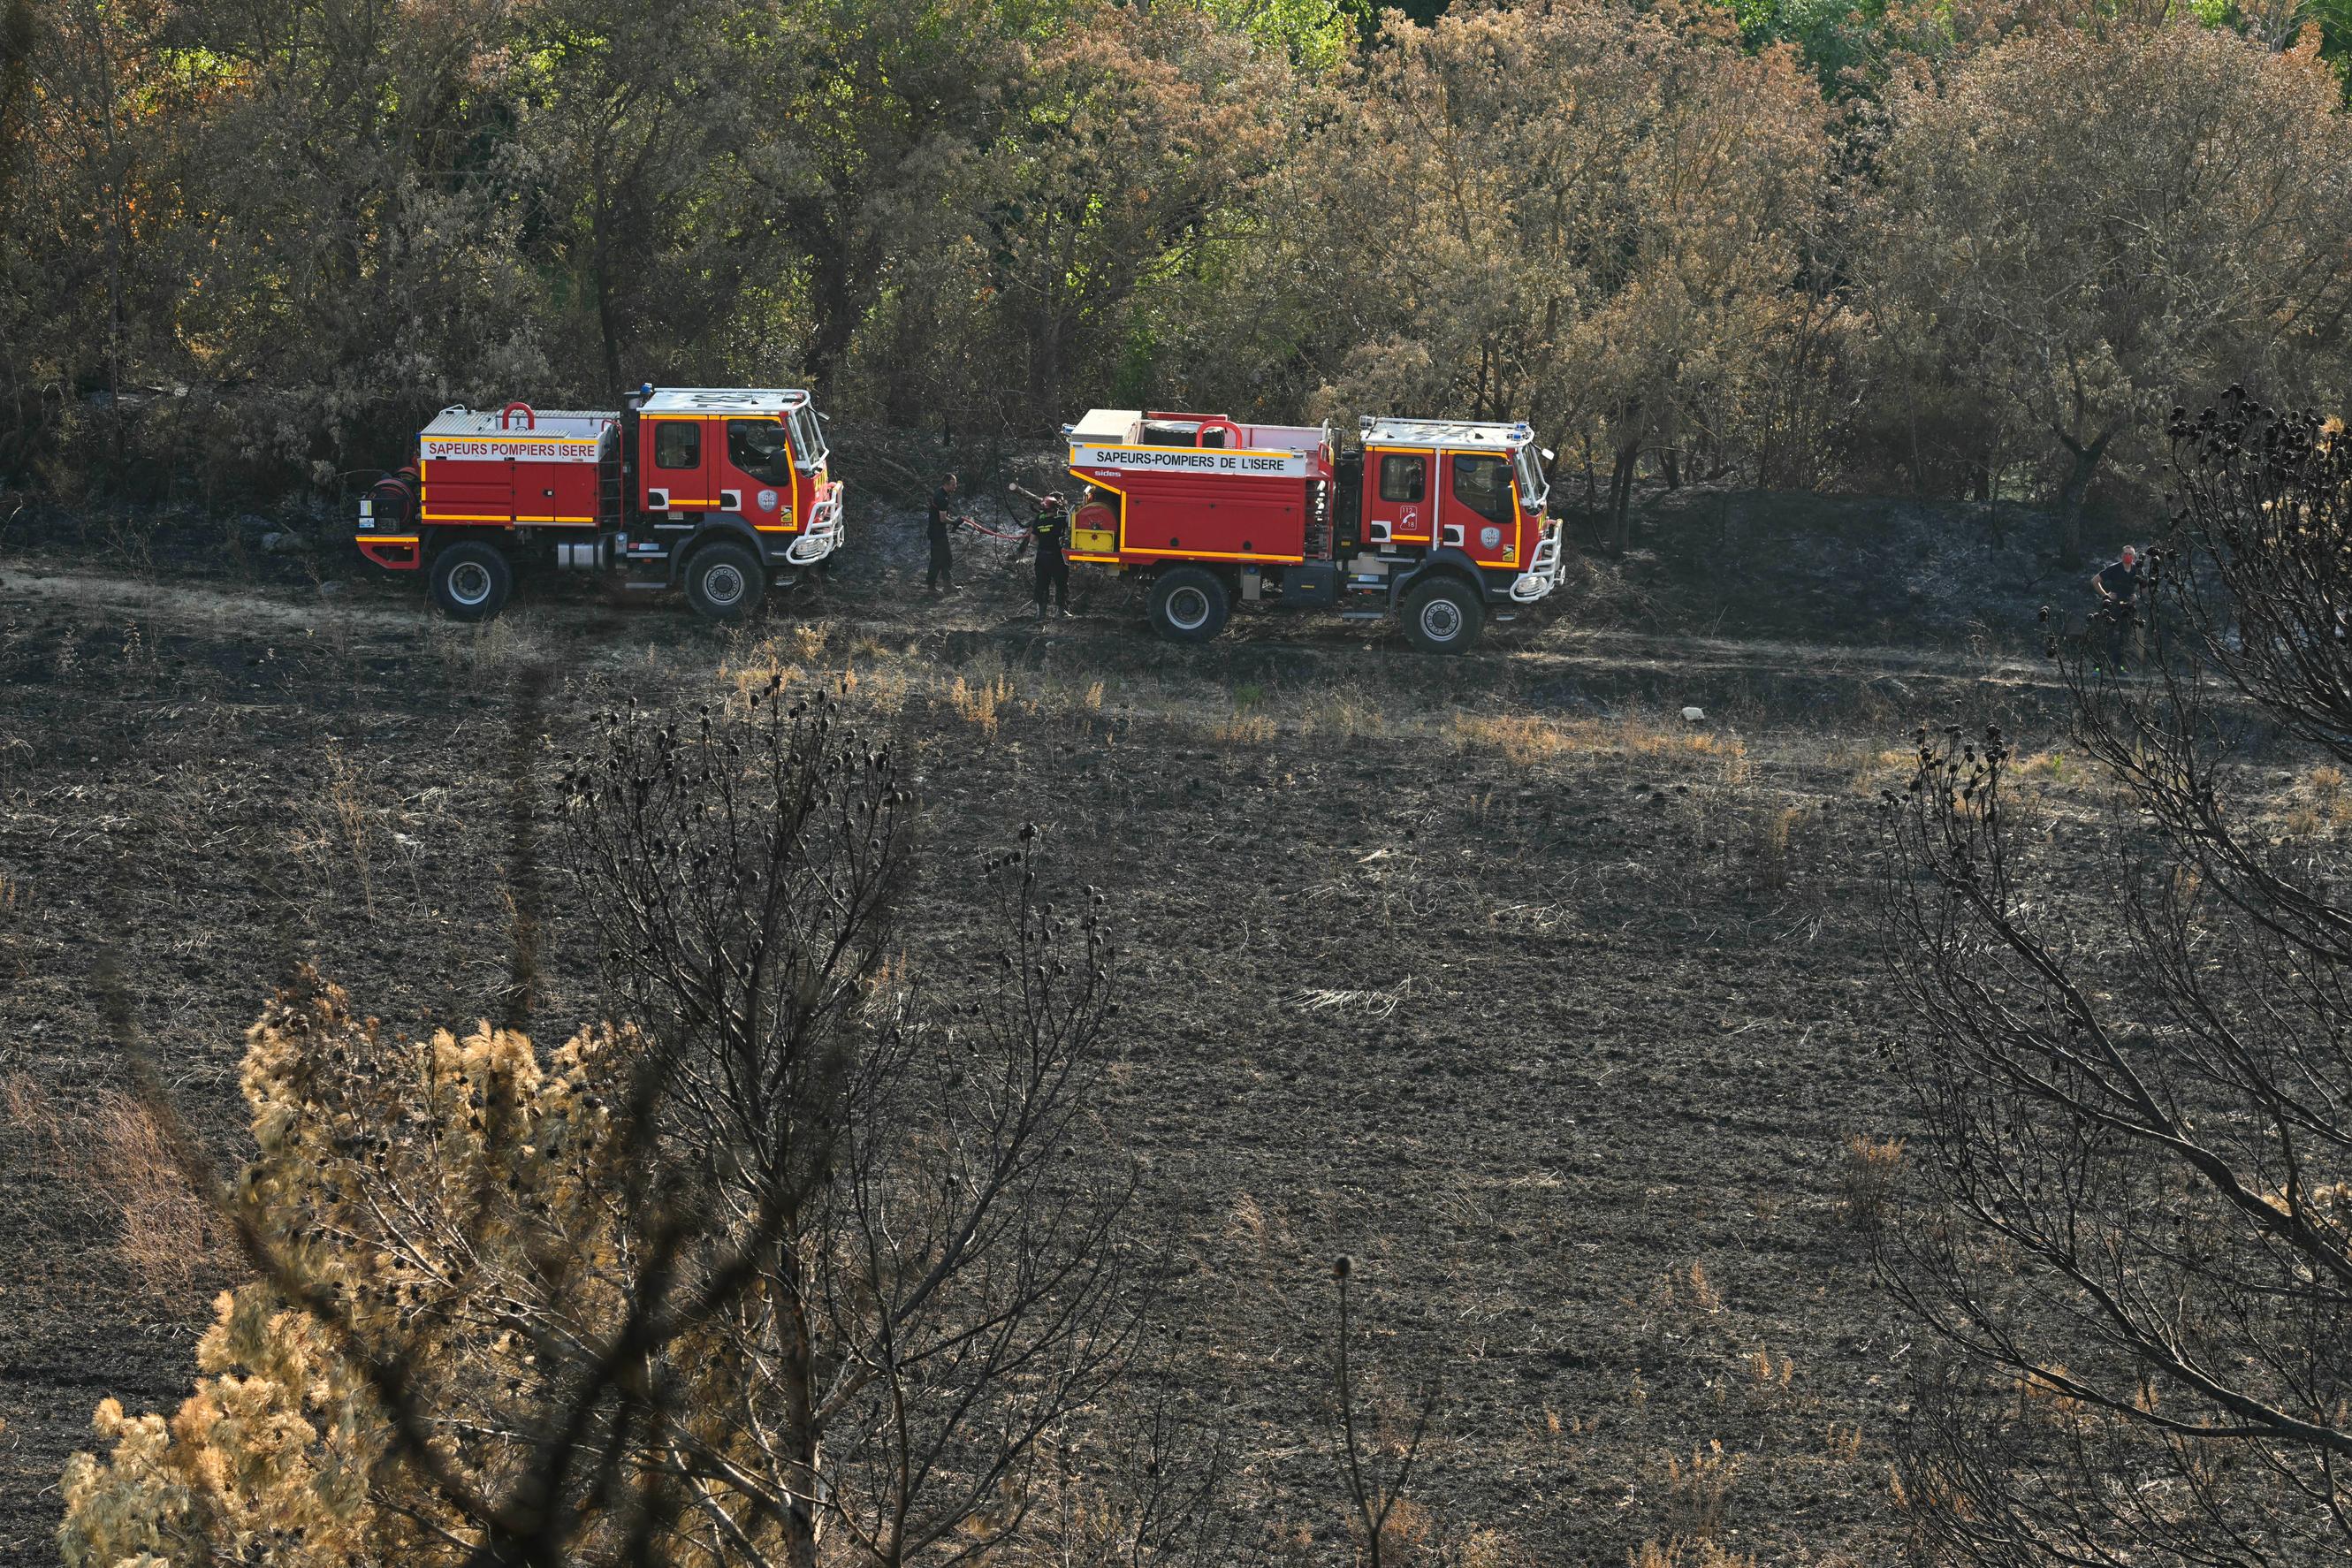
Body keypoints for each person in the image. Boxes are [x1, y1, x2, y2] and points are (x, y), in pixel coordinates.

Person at [1009, 482, 1072, 620]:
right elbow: (1070, 522)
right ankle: (1061, 612)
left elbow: (1032, 540)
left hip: (1042, 557)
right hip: (1057, 557)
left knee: (1041, 585)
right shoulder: (1061, 519)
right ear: (1055, 508)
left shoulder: (1039, 518)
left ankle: (1040, 614)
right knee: (1061, 584)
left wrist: (1044, 544)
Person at [2092, 544, 2143, 673]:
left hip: (2128, 608)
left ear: (2134, 556)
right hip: (2112, 607)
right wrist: (2106, 596)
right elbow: (2095, 581)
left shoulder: (2137, 570)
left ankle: (2119, 667)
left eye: (2130, 554)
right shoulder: (2114, 569)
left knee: (2124, 638)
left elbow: (2146, 587)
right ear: (2122, 555)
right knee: (2106, 636)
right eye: (2125, 554)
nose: (2128, 556)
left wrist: (2138, 596)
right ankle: (2098, 668)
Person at [925, 472, 967, 594]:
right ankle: (931, 588)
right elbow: (942, 518)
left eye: (956, 484)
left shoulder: (941, 493)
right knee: (938, 559)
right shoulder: (942, 498)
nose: (955, 487)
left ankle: (947, 585)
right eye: (953, 484)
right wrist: (954, 522)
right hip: (937, 533)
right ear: (946, 484)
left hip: (938, 531)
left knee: (946, 558)